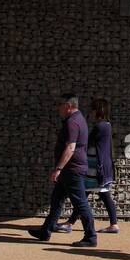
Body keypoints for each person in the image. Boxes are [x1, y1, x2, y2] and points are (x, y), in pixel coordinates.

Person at [27, 93, 97, 247]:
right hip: (70, 170)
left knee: (80, 203)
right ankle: (45, 231)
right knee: (56, 200)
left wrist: (58, 168)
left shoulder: (72, 122)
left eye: (60, 105)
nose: (58, 108)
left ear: (68, 106)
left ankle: (91, 237)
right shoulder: (79, 119)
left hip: (71, 170)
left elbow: (70, 147)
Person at [67, 97, 118, 234]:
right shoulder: (106, 125)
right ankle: (113, 224)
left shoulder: (100, 126)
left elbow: (87, 142)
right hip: (99, 167)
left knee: (83, 194)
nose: (91, 112)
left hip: (95, 168)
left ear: (98, 110)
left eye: (93, 109)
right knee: (99, 195)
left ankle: (70, 222)